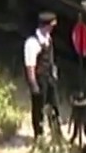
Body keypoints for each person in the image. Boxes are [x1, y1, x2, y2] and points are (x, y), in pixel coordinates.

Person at [23, 11, 61, 140]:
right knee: (39, 109)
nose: (53, 28)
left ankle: (56, 135)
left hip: (49, 78)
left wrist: (53, 71)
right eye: (51, 25)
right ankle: (38, 136)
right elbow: (30, 65)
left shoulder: (48, 38)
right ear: (46, 25)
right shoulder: (32, 42)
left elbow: (51, 59)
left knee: (53, 106)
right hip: (40, 80)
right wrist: (33, 84)